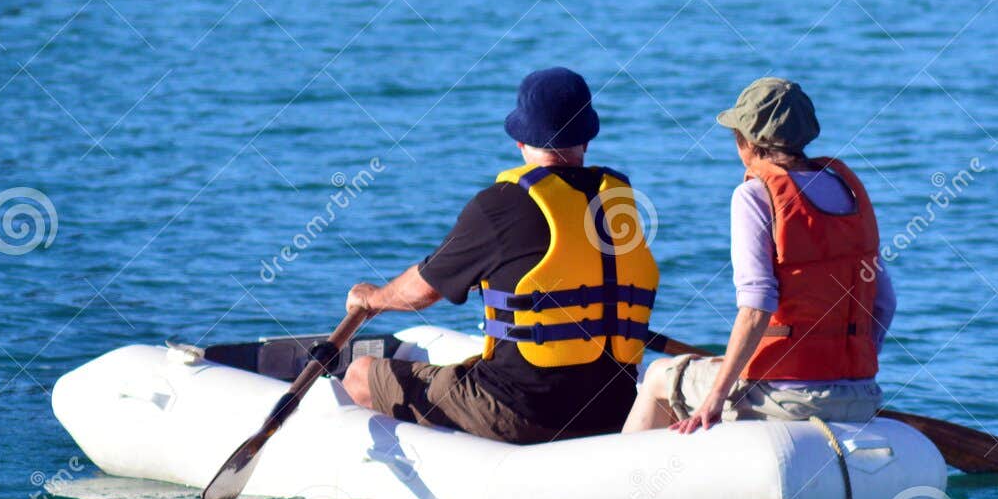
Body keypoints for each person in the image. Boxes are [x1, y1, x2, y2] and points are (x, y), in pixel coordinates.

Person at [342, 67, 659, 443]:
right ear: (587, 140)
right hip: (611, 409)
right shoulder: (620, 204)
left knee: (361, 375)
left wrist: (373, 298)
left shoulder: (500, 206)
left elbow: (423, 291)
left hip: (522, 412)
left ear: (520, 141)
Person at [623, 77, 893, 433]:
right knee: (707, 370)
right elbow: (885, 301)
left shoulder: (753, 195)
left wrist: (715, 399)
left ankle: (631, 486)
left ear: (746, 141)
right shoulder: (850, 191)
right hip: (861, 391)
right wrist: (845, 370)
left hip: (786, 395)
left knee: (659, 375)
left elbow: (757, 307)